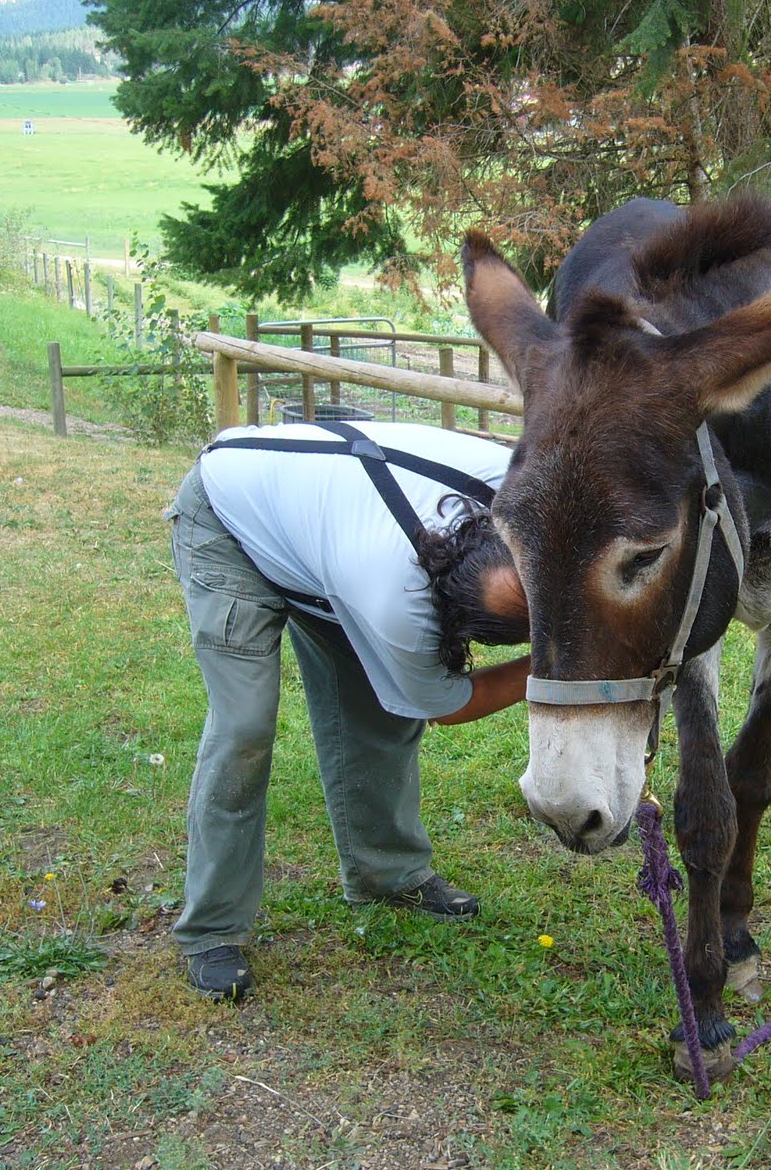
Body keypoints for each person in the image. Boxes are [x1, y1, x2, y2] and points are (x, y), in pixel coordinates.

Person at [164, 418, 530, 1001]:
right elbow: (450, 705)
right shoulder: (395, 603)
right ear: (457, 623)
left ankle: (388, 874)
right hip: (229, 518)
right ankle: (211, 930)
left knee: (379, 715)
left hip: (322, 531)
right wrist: (548, 664)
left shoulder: (521, 489)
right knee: (243, 728)